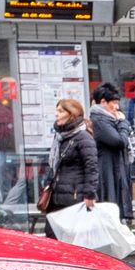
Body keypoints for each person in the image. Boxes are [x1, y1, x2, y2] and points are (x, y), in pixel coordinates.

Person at [43, 98, 98, 238]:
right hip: (56, 198)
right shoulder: (60, 137)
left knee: (70, 241)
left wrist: (89, 194)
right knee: (52, 237)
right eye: (56, 110)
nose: (56, 114)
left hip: (74, 198)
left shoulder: (83, 137)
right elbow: (56, 165)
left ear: (72, 114)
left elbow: (91, 167)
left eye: (60, 111)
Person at [89, 83, 135, 222]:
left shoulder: (108, 120)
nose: (117, 107)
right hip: (107, 174)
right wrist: (123, 123)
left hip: (113, 172)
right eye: (114, 103)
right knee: (110, 214)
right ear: (103, 102)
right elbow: (119, 141)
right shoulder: (100, 120)